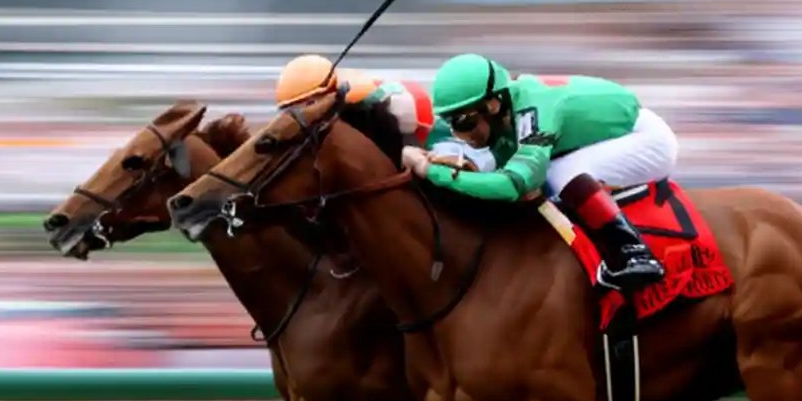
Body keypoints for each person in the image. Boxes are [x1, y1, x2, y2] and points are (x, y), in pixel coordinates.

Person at [404, 53, 677, 292]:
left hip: (645, 138)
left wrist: (431, 172)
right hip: (601, 139)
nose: (460, 134)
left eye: (465, 121)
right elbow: (499, 180)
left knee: (559, 173)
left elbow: (516, 185)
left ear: (493, 105)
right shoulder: (505, 114)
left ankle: (635, 254)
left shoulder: (533, 110)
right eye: (452, 123)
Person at [273, 54, 494, 171]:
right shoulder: (346, 97)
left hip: (446, 144)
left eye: (300, 107)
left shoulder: (386, 104)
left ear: (317, 98)